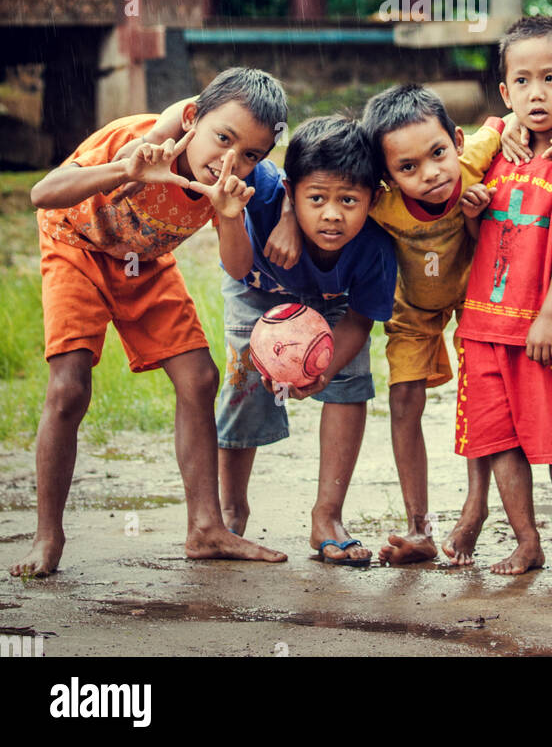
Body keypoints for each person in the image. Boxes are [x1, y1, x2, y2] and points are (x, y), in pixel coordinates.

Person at [11, 66, 289, 578]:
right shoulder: (136, 141)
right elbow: (43, 194)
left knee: (200, 377)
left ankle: (205, 526)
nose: (230, 160)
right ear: (191, 119)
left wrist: (228, 214)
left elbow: (236, 267)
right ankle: (47, 535)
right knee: (70, 387)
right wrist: (128, 171)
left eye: (250, 155)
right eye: (222, 139)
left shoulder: (226, 187)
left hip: (145, 263)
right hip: (77, 245)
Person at [455, 15, 552, 576]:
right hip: (482, 321)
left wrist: (548, 315)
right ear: (504, 90)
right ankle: (527, 540)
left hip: (544, 327)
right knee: (499, 440)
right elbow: (490, 236)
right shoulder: (498, 148)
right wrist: (472, 214)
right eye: (522, 81)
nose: (535, 93)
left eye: (550, 79)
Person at [216, 115, 396, 567]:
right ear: (292, 191)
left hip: (332, 303)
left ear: (373, 198)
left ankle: (327, 518)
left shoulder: (374, 248)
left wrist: (325, 370)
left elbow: (359, 320)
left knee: (350, 384)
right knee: (244, 384)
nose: (332, 214)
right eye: (315, 199)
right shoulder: (263, 194)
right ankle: (231, 510)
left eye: (349, 200)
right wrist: (279, 215)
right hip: (256, 291)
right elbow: (238, 264)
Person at [359, 85, 502, 566]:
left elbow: (504, 124)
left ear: (457, 141)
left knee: (480, 393)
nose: (431, 173)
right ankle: (418, 527)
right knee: (403, 399)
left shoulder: (472, 162)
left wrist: (516, 133)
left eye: (438, 153)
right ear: (387, 177)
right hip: (414, 307)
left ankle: (474, 508)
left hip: (474, 295)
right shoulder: (380, 203)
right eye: (408, 168)